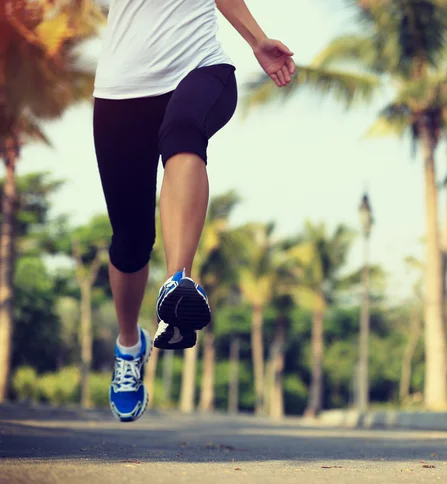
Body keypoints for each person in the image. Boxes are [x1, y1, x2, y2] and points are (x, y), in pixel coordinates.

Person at [92, 0, 295, 422]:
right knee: (130, 240)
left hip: (200, 67)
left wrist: (257, 40)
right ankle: (130, 345)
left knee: (183, 133)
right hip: (121, 90)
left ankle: (177, 284)